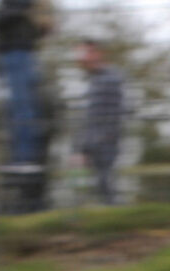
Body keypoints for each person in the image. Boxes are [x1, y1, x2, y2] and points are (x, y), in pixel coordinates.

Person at [0, 0, 50, 168]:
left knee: (22, 108)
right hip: (15, 55)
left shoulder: (15, 6)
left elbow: (17, 11)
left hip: (17, 55)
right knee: (16, 109)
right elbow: (23, 22)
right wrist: (40, 31)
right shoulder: (15, 8)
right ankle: (21, 156)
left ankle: (25, 157)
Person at [74, 40, 127, 205]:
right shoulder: (98, 80)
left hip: (103, 142)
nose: (81, 58)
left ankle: (116, 216)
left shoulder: (108, 79)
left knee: (104, 184)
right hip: (99, 140)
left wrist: (84, 148)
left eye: (85, 53)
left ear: (97, 53)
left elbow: (100, 116)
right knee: (97, 185)